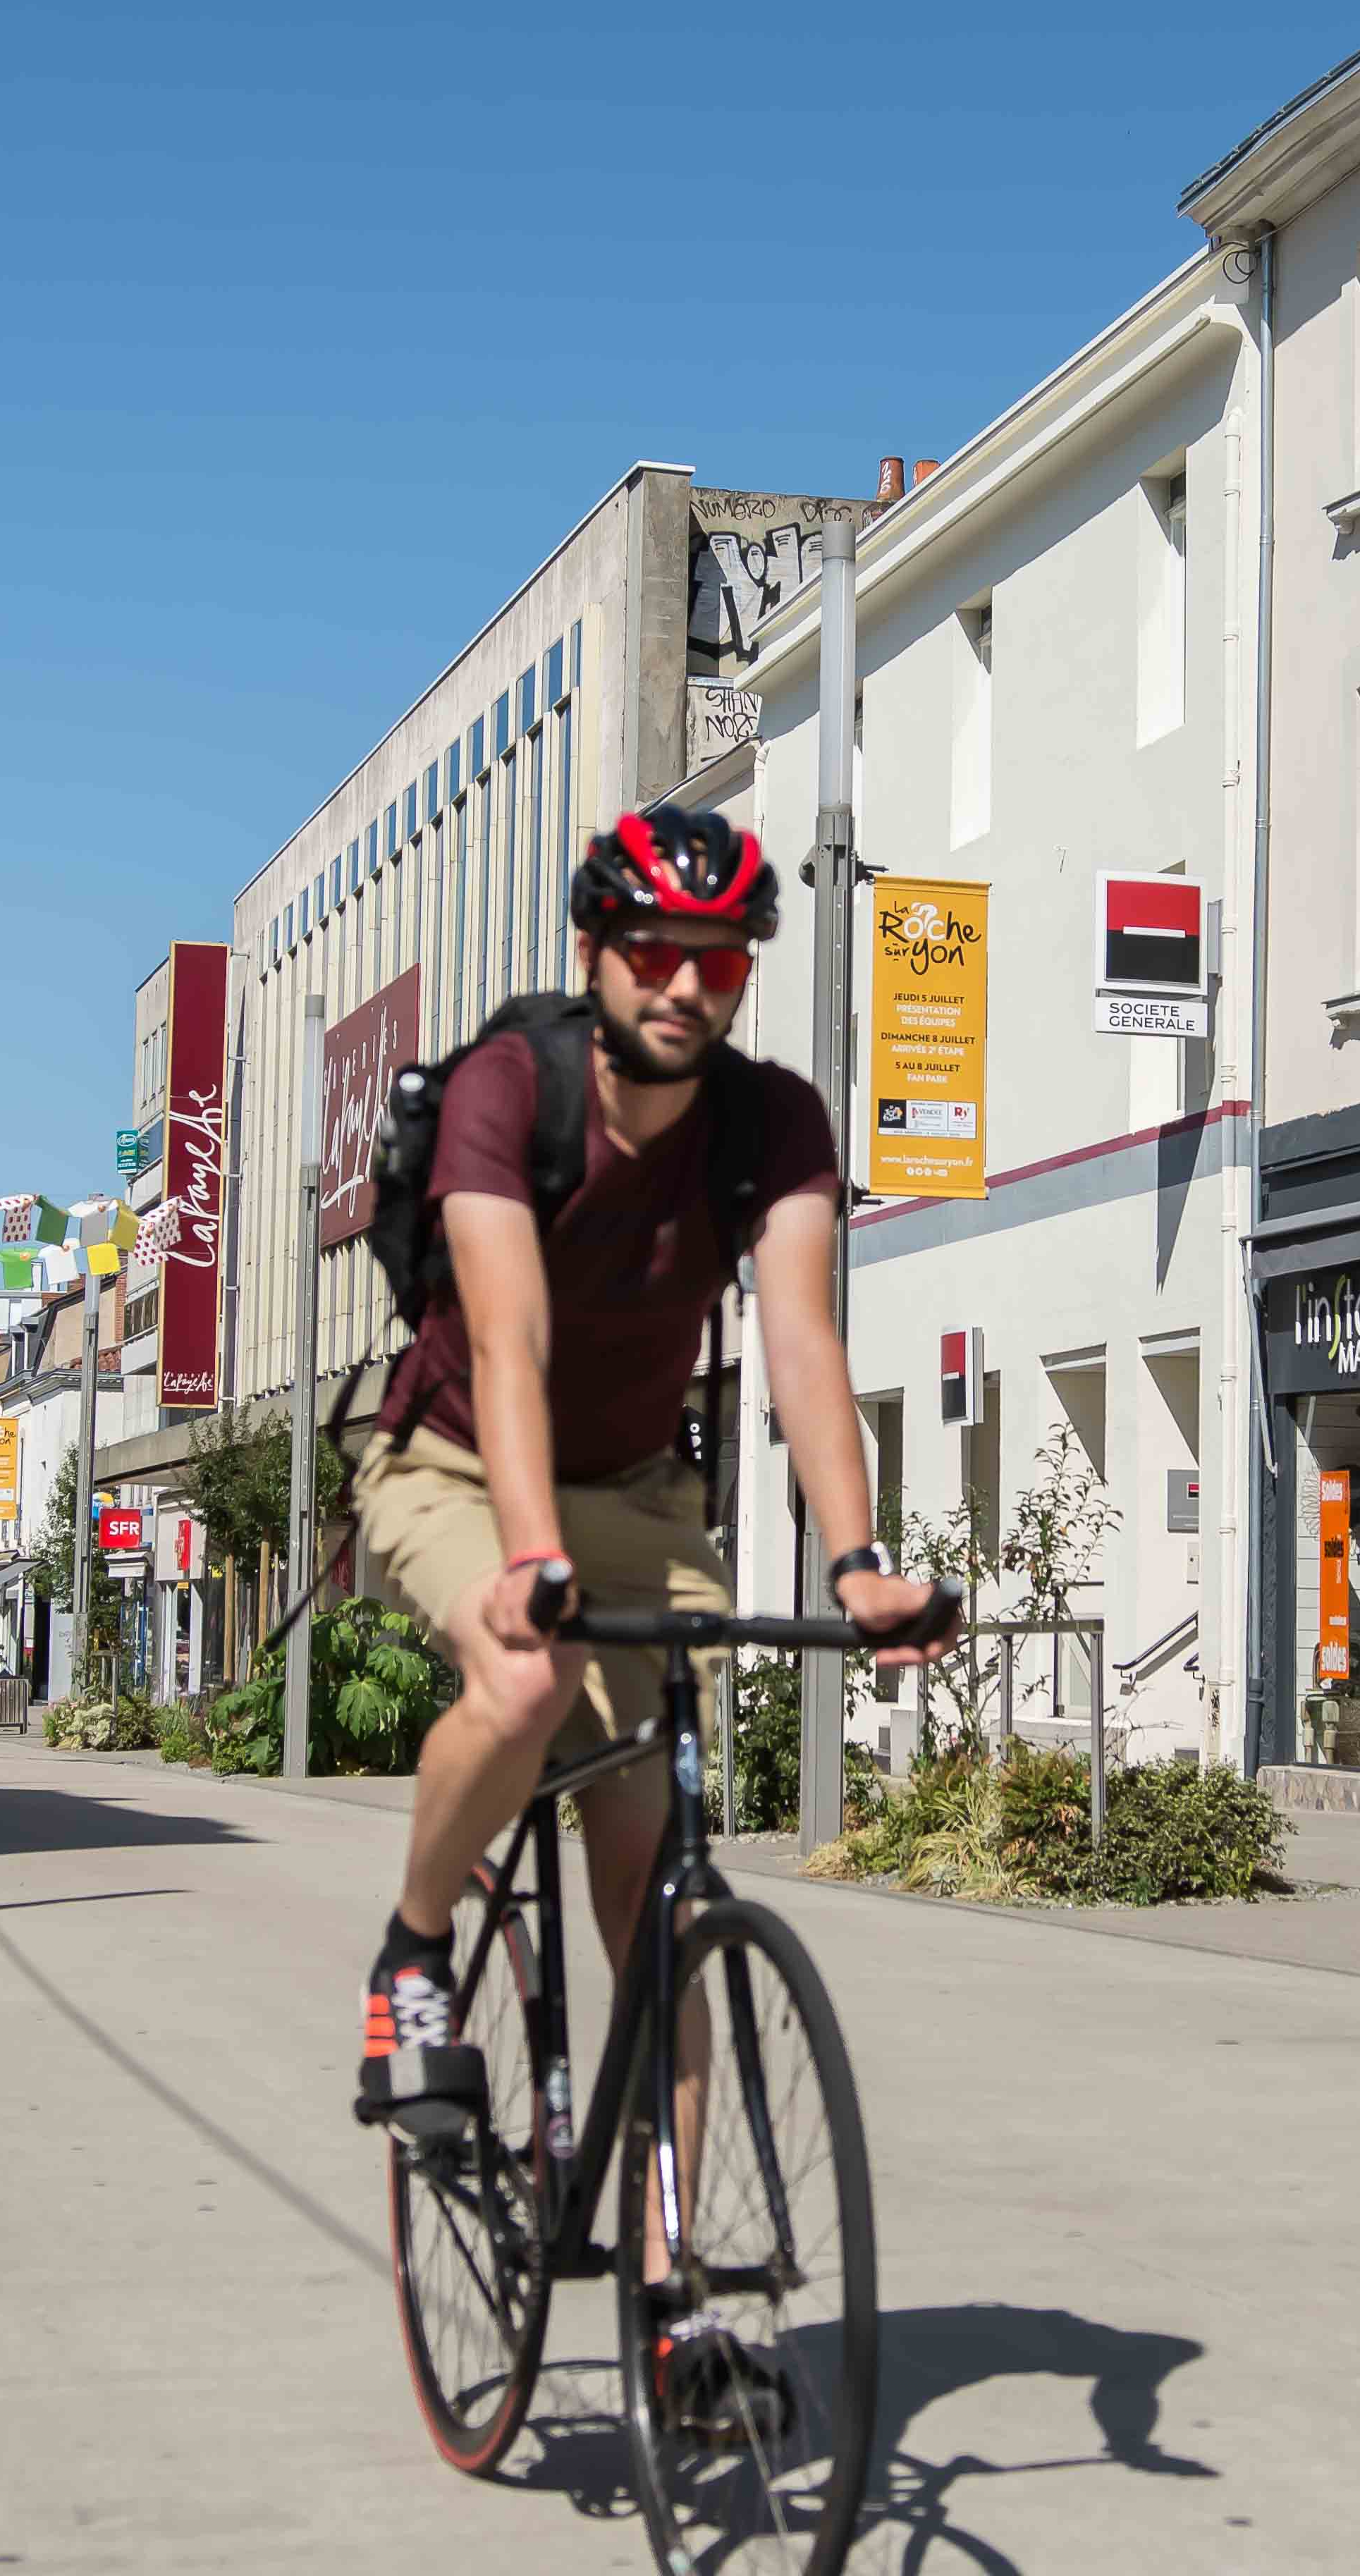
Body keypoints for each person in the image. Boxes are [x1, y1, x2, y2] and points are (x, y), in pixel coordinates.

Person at [355, 802, 946, 2119]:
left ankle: (671, 2292)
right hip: (454, 1462)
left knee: (657, 1889)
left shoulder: (774, 1121)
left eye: (722, 959)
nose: (685, 983)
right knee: (523, 1677)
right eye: (652, 949)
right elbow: (510, 1344)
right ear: (592, 951)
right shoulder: (509, 1088)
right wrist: (532, 1559)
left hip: (635, 1490)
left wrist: (858, 1563)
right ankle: (413, 1947)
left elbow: (802, 1342)